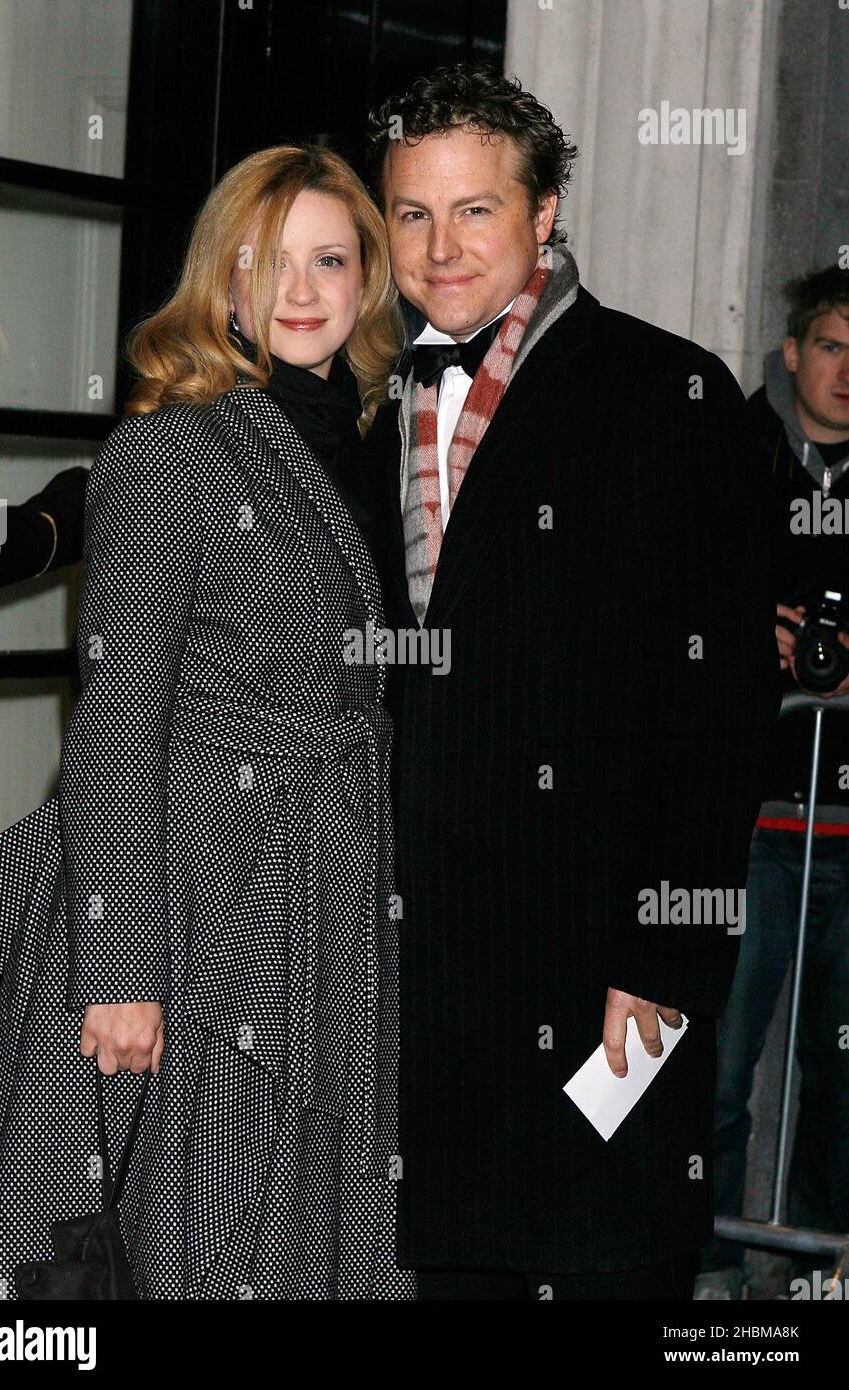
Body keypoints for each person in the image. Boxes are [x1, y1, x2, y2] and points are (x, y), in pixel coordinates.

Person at [0, 142, 416, 1300]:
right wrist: (116, 967)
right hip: (187, 894)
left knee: (274, 1214)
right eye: (269, 264)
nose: (300, 294)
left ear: (365, 285)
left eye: (329, 261)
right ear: (226, 280)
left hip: (313, 890)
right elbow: (114, 715)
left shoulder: (364, 447)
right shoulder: (172, 448)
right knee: (154, 1230)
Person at [357, 61, 780, 1300]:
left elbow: (716, 716)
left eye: (474, 209)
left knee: (597, 1269)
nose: (439, 248)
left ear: (544, 212)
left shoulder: (669, 393)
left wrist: (659, 954)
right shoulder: (367, 399)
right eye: (412, 213)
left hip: (595, 959)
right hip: (412, 962)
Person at [696, 266, 849, 1300]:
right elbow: (663, 614)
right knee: (715, 1060)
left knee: (840, 1076)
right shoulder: (724, 459)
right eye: (832, 346)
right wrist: (753, 635)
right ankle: (703, 1264)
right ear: (790, 353)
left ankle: (814, 1277)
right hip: (745, 816)